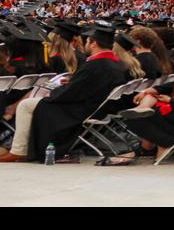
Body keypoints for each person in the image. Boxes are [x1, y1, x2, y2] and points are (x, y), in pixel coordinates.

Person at [0, 22, 129, 163]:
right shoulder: (115, 64)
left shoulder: (95, 65)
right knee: (33, 103)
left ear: (93, 43)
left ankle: (18, 151)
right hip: (95, 107)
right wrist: (72, 83)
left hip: (79, 109)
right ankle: (20, 148)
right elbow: (86, 86)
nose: (85, 44)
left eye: (87, 41)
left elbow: (70, 94)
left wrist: (52, 93)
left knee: (26, 105)